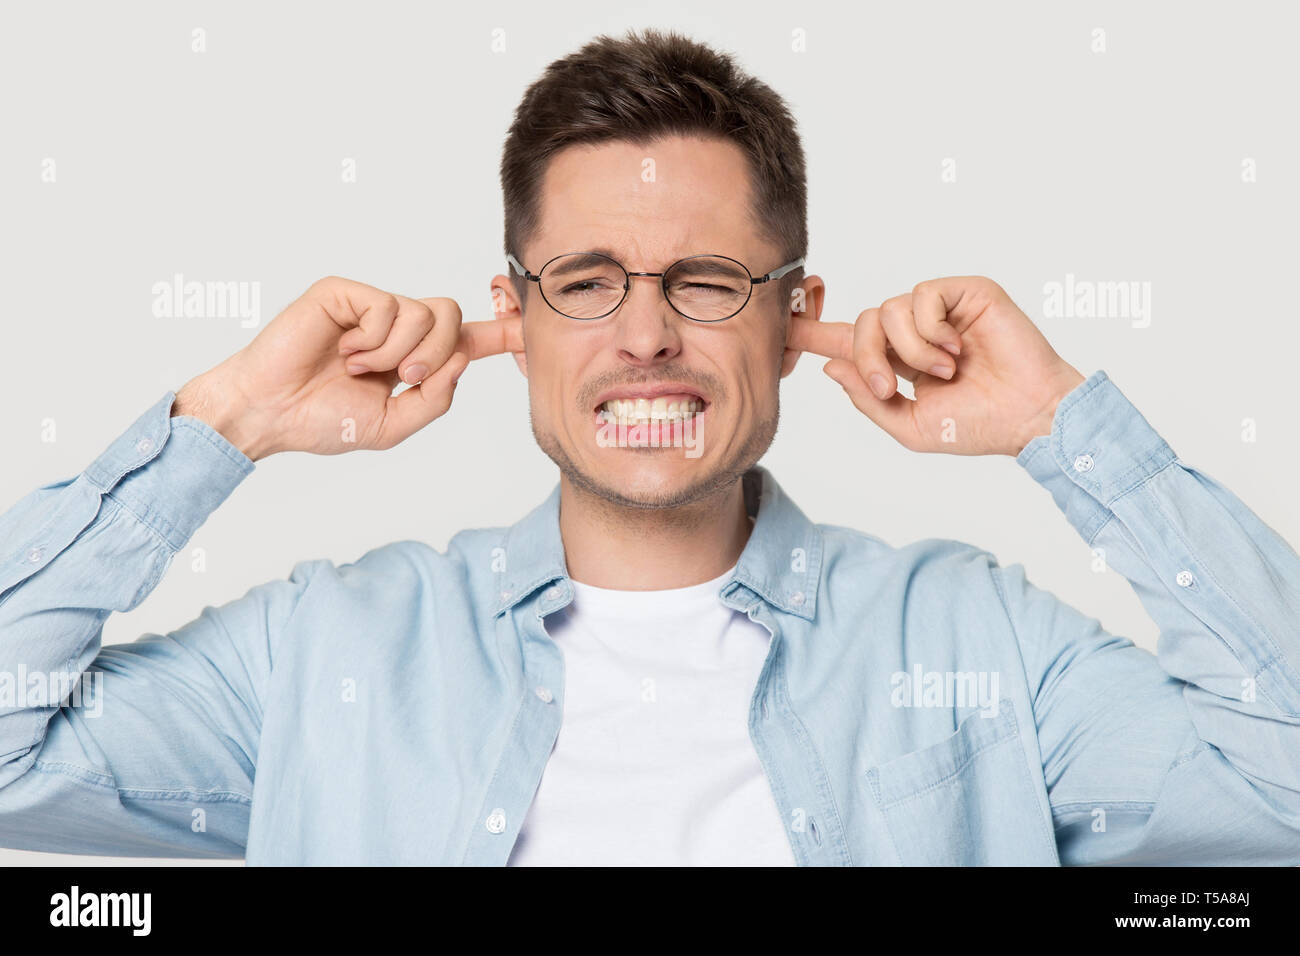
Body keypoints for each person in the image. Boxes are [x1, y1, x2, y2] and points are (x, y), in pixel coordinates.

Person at [2, 27, 1297, 866]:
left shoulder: (977, 643)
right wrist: (224, 423)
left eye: (706, 281)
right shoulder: (322, 659)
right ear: (510, 314)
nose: (646, 336)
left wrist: (1066, 429)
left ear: (797, 316)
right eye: (585, 281)